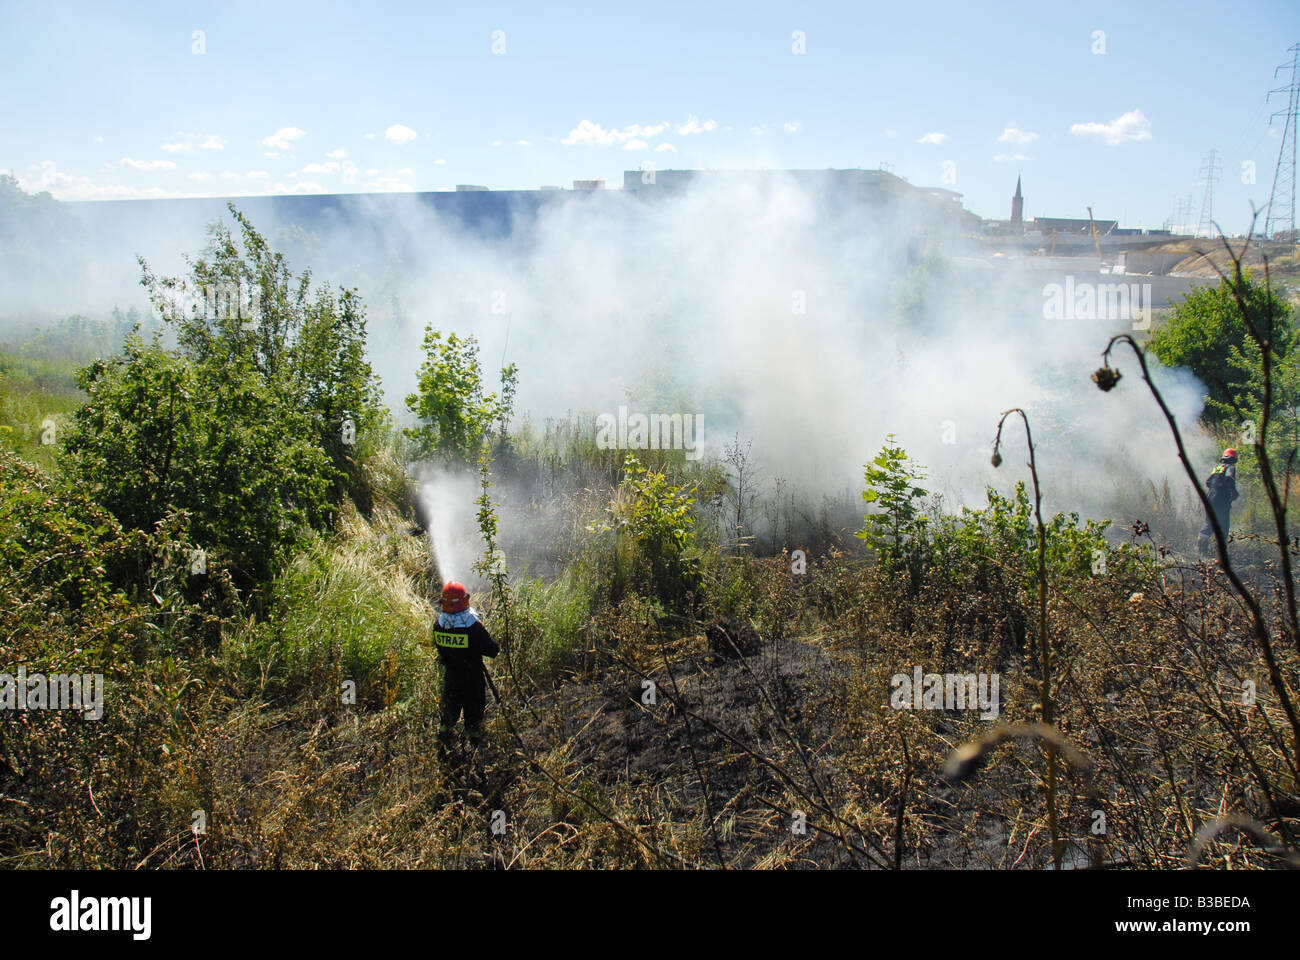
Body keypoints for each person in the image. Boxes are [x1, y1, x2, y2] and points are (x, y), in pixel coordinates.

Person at [433, 580, 499, 750]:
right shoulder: (473, 627)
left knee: (449, 708)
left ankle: (444, 740)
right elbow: (492, 650)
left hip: (451, 678)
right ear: (465, 600)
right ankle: (474, 745)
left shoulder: (439, 626)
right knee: (474, 709)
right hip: (472, 678)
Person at [1198, 448, 1240, 557]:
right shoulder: (1231, 468)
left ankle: (1202, 552)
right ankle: (1221, 554)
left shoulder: (1217, 468)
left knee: (1209, 524)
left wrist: (1216, 489)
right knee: (1223, 526)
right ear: (1234, 459)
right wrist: (1233, 493)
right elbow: (1229, 480)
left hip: (1210, 500)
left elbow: (1208, 482)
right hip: (1221, 502)